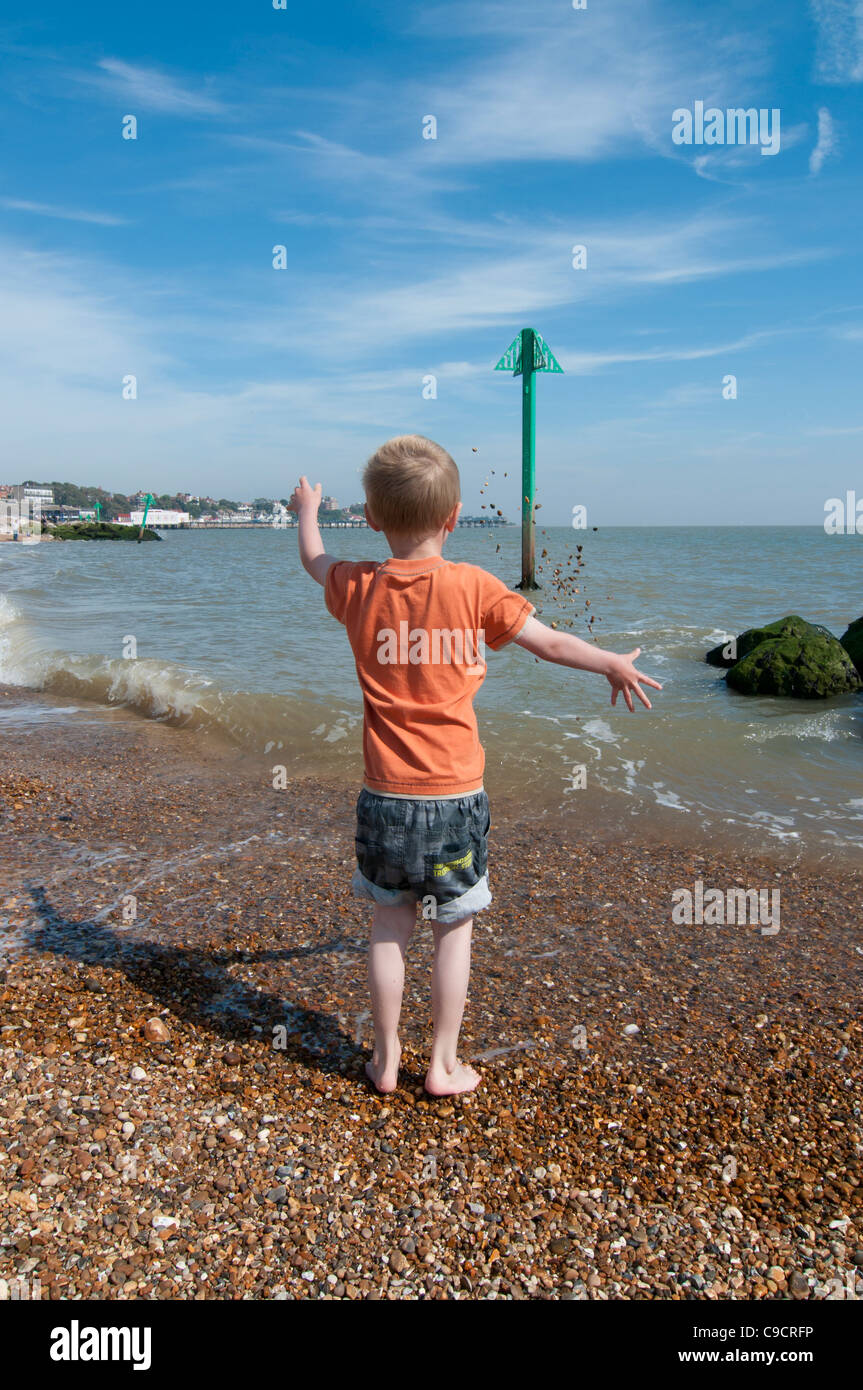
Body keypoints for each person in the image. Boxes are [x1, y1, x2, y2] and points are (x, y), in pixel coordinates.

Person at [289, 435, 661, 1097]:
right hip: (456, 794)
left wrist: (308, 510)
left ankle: (382, 1060)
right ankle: (441, 1064)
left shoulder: (358, 584)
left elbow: (313, 559)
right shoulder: (475, 587)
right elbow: (547, 643)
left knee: (388, 925)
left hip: (384, 794)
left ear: (371, 520)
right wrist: (609, 661)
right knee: (453, 928)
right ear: (455, 517)